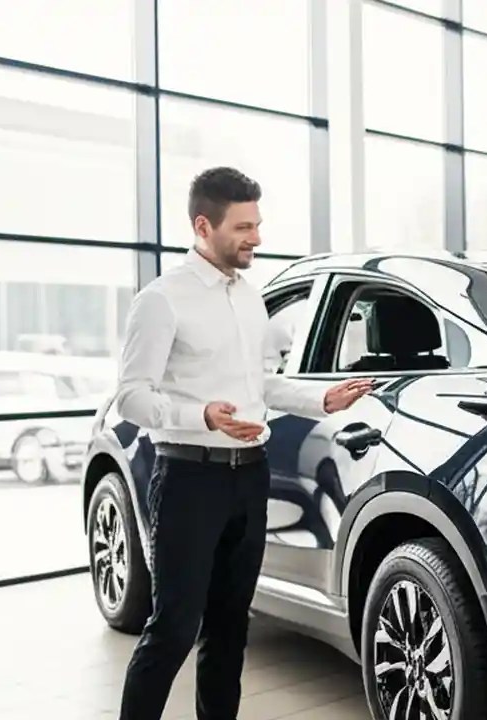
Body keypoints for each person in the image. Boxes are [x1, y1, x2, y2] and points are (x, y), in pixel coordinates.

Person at [114, 166, 373, 720]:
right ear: (203, 226)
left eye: (257, 224)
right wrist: (202, 415)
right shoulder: (162, 299)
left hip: (250, 477)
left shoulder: (251, 298)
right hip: (189, 478)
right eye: (243, 227)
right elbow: (132, 397)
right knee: (174, 628)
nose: (256, 236)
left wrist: (322, 400)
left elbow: (262, 385)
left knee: (231, 627)